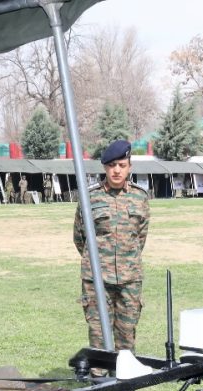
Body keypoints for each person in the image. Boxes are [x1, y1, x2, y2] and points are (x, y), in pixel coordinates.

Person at [73, 139, 150, 352]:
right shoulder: (90, 197)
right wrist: (98, 261)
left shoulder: (140, 197)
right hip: (97, 278)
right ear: (105, 167)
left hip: (130, 279)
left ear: (129, 167)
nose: (116, 170)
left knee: (127, 335)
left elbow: (140, 236)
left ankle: (126, 383)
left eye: (122, 165)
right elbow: (80, 237)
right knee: (98, 335)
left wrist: (126, 259)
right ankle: (100, 380)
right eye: (111, 165)